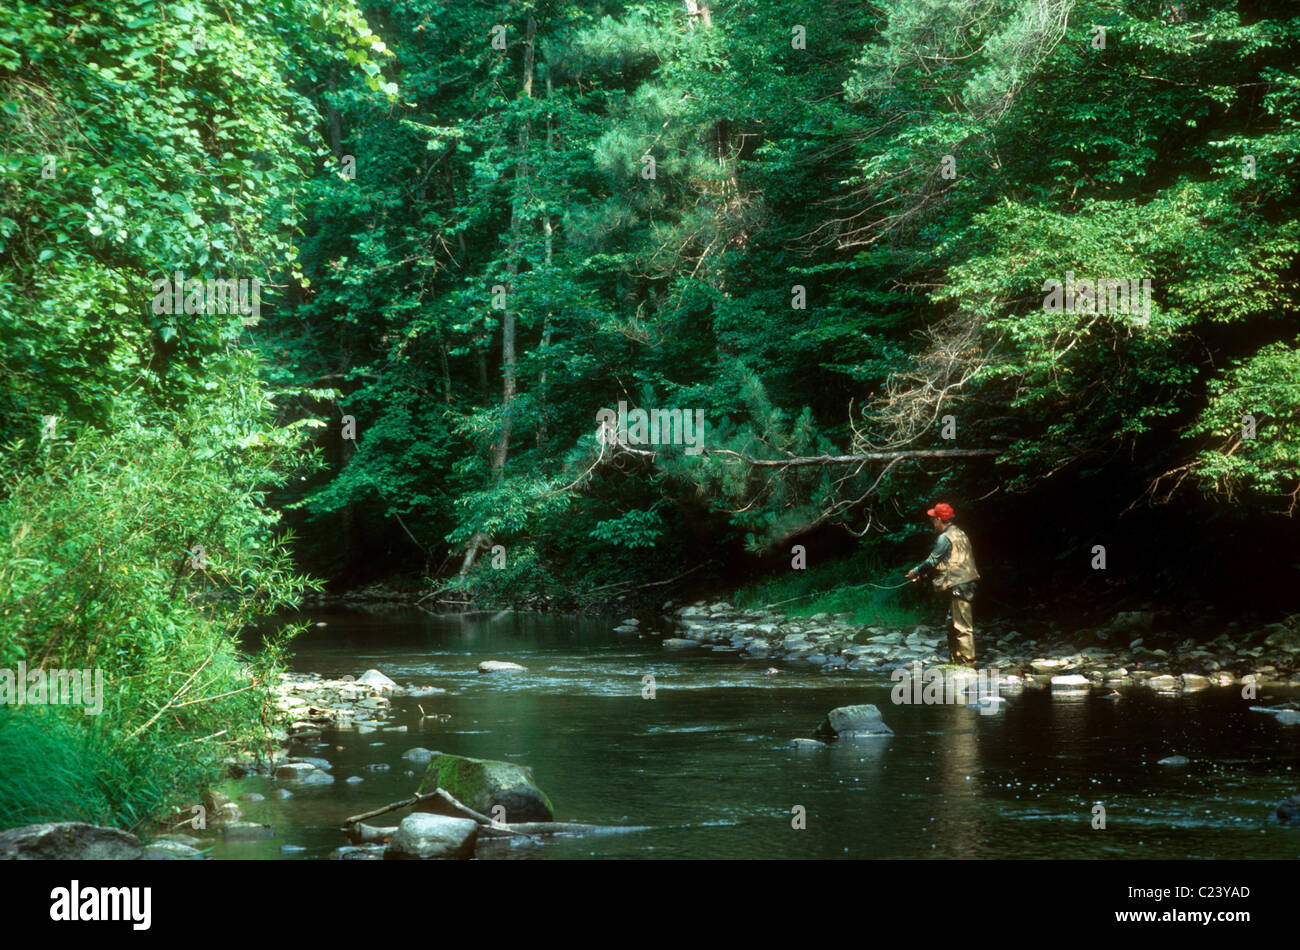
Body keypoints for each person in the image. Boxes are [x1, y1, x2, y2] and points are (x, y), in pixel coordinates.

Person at [906, 503, 979, 667]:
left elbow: (932, 561)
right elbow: (948, 563)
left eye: (934, 519)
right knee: (951, 624)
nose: (933, 523)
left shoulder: (945, 538)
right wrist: (923, 577)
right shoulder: (960, 533)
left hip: (960, 585)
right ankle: (957, 662)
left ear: (939, 519)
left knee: (961, 626)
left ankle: (968, 664)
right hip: (963, 583)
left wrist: (916, 571)